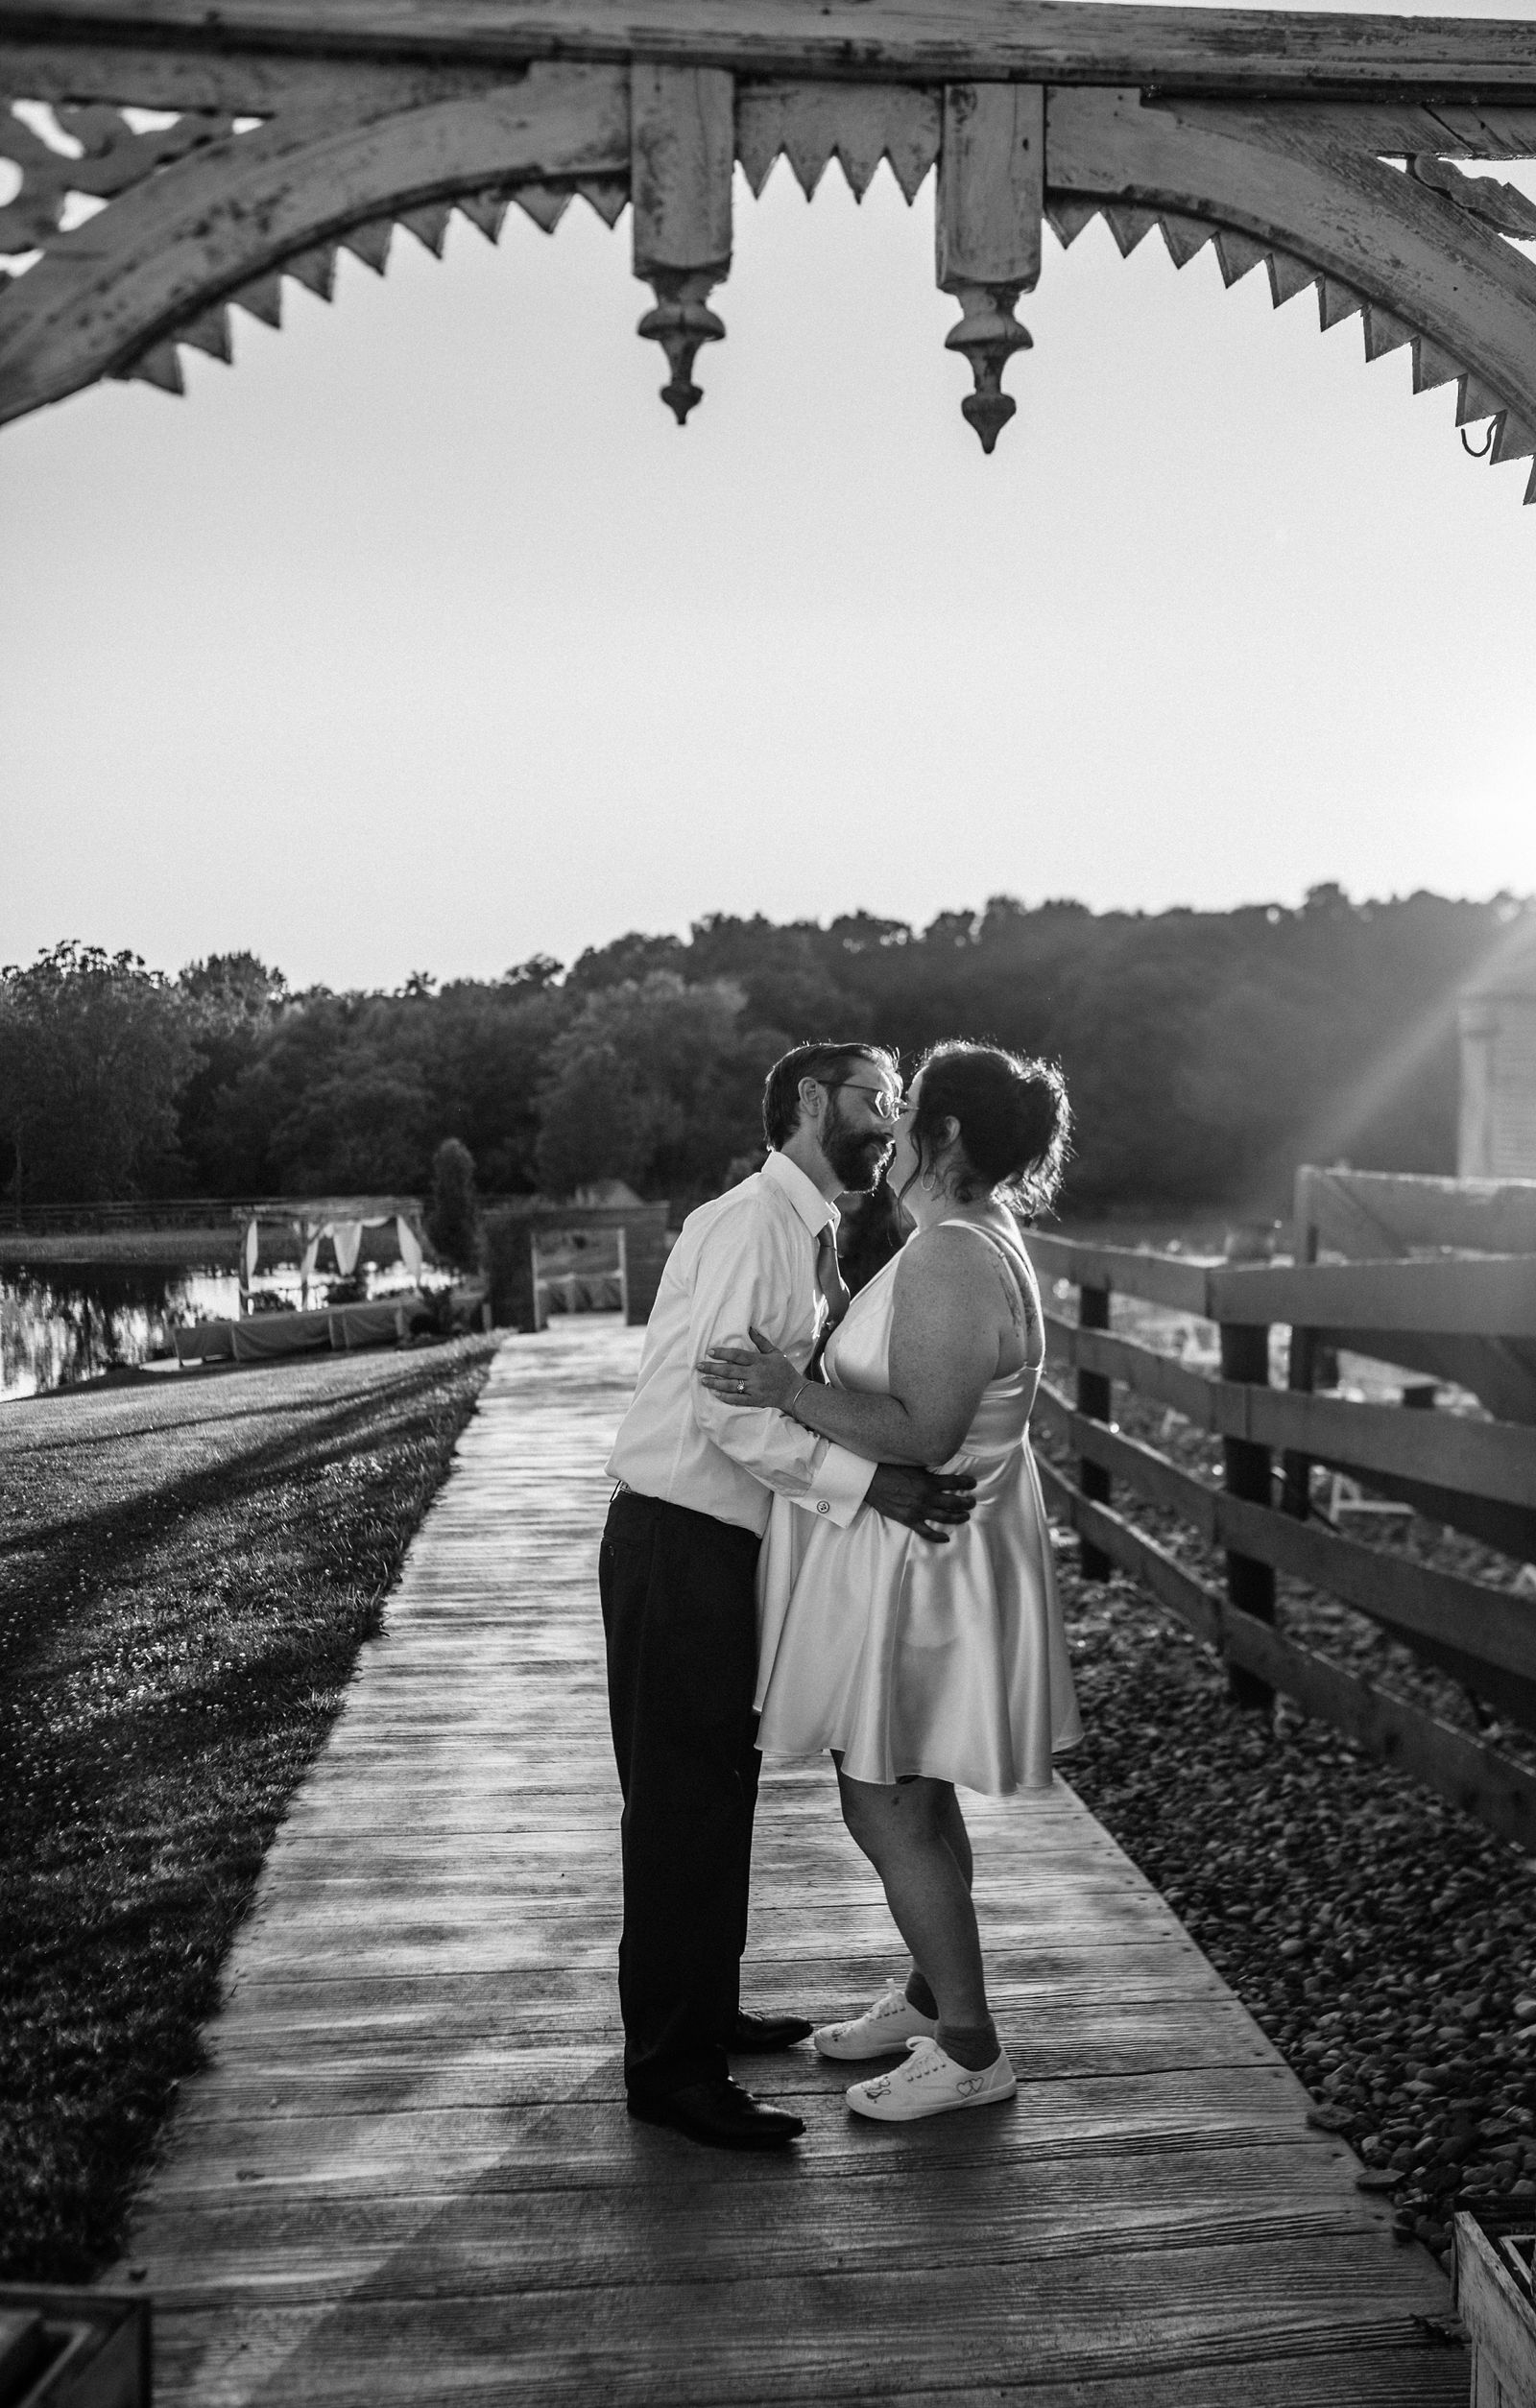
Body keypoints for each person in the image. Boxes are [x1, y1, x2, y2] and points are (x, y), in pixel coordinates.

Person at [600, 1040, 978, 2153]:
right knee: (678, 1810)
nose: (889, 1119)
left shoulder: (804, 1229)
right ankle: (671, 2071)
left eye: (896, 1104)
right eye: (875, 1099)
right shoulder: (751, 1224)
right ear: (811, 1101)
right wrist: (880, 1485)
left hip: (721, 1548)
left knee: (716, 1796)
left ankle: (703, 2011)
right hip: (677, 1540)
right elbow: (729, 1410)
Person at [700, 1039, 1081, 2125]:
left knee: (884, 1802)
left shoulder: (956, 1252)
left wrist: (786, 1385)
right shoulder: (955, 1238)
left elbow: (921, 1428)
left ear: (946, 1137)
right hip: (928, 1556)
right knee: (915, 1786)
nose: (894, 1120)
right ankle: (929, 1996)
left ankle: (969, 2048)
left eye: (910, 1108)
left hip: (921, 1566)